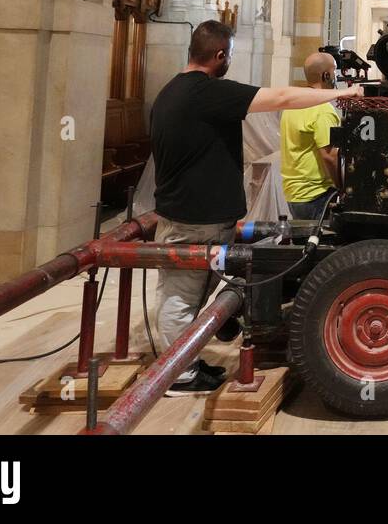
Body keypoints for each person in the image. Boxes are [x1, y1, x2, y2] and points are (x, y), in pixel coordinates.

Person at [149, 20, 360, 394]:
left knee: (193, 295)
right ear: (218, 56)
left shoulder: (174, 92)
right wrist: (342, 94)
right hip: (193, 218)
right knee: (181, 296)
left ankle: (188, 364)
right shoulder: (206, 93)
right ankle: (177, 377)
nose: (229, 61)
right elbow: (280, 98)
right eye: (228, 55)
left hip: (199, 215)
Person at [280, 51, 343, 219]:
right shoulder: (322, 109)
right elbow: (329, 156)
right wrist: (342, 188)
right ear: (326, 75)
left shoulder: (294, 104)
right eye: (335, 71)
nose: (336, 77)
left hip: (294, 193)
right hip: (317, 194)